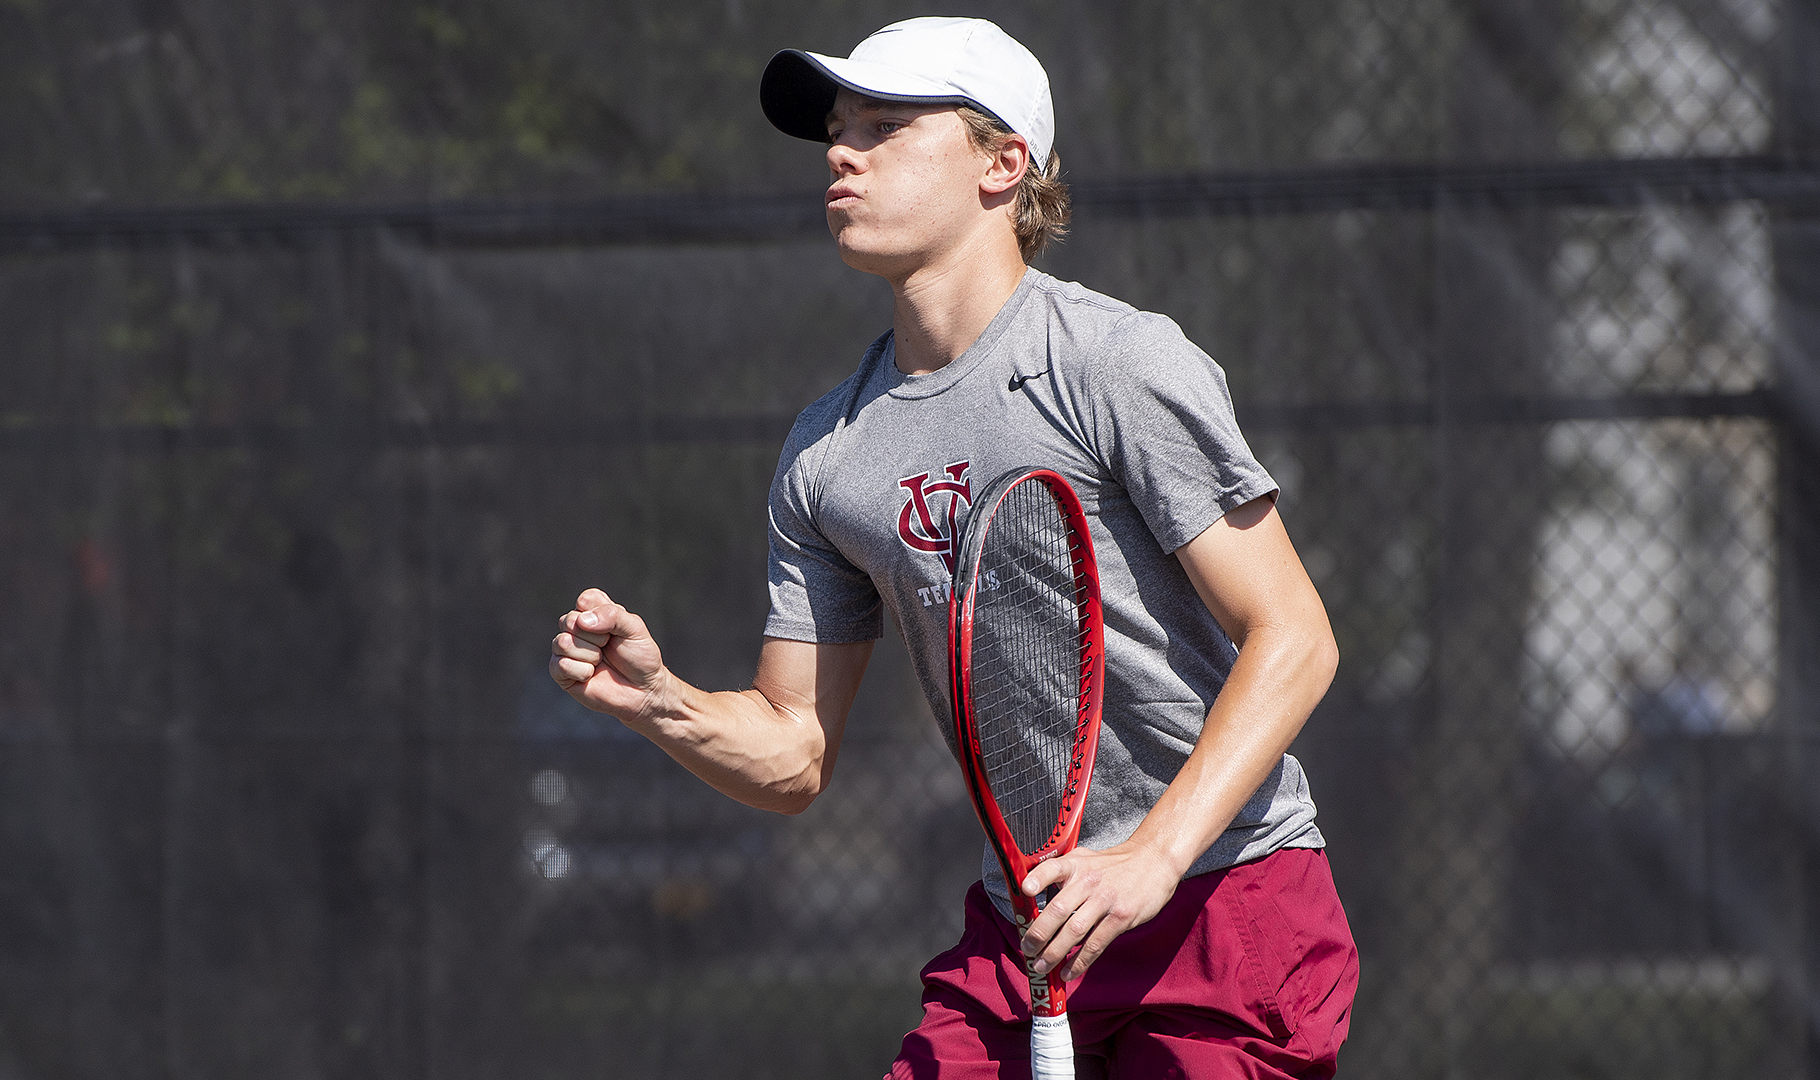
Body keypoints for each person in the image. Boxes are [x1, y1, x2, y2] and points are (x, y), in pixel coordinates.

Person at [551, 16, 1357, 1078]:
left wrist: (1150, 858)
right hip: (1028, 928)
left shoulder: (1114, 363)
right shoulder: (827, 454)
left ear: (1002, 163)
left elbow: (1294, 636)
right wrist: (657, 701)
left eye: (884, 127)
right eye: (838, 130)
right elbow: (793, 754)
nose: (842, 154)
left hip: (1222, 900)